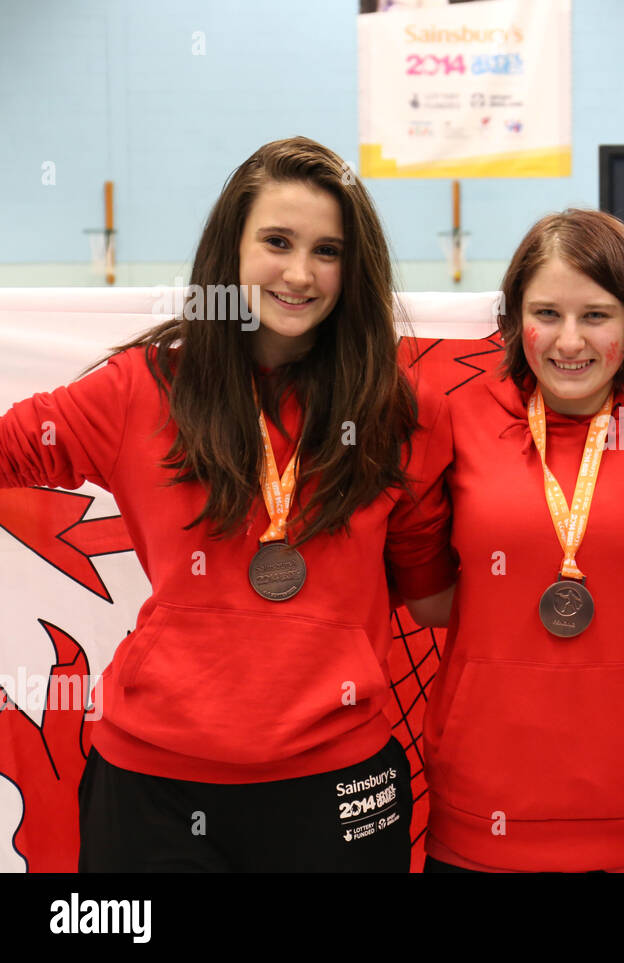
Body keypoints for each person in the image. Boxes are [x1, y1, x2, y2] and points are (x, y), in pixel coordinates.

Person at [0, 136, 452, 871]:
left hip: (340, 784)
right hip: (155, 789)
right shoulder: (138, 391)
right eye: (277, 241)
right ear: (229, 250)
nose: (300, 273)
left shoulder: (403, 413)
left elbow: (433, 593)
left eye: (328, 250)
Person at [413, 209, 624, 873]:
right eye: (547, 313)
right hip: (486, 808)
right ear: (515, 321)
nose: (569, 341)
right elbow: (428, 601)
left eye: (597, 315)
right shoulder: (457, 418)